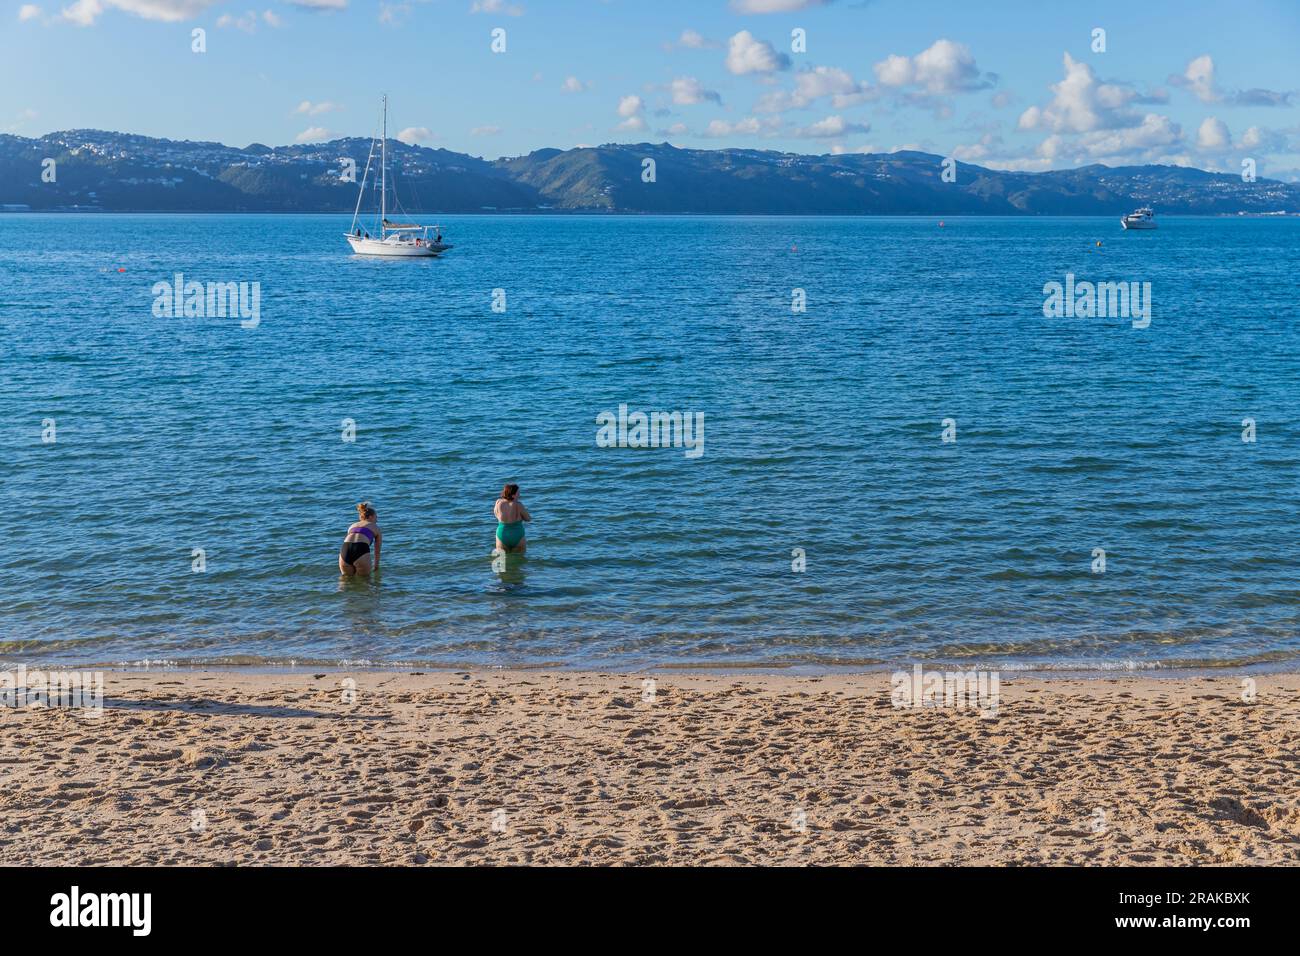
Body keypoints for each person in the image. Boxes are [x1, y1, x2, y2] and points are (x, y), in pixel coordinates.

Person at [339, 502, 382, 575]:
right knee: (365, 582)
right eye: (376, 517)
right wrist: (376, 566)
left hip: (345, 549)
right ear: (371, 517)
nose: (377, 520)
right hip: (361, 548)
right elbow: (377, 550)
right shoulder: (376, 527)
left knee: (345, 581)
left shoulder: (352, 526)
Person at [493, 483, 531, 554]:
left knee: (502, 561)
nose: (519, 495)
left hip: (502, 534)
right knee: (519, 560)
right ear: (513, 495)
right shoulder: (518, 505)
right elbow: (528, 519)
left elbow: (496, 514)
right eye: (518, 493)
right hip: (517, 534)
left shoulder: (498, 502)